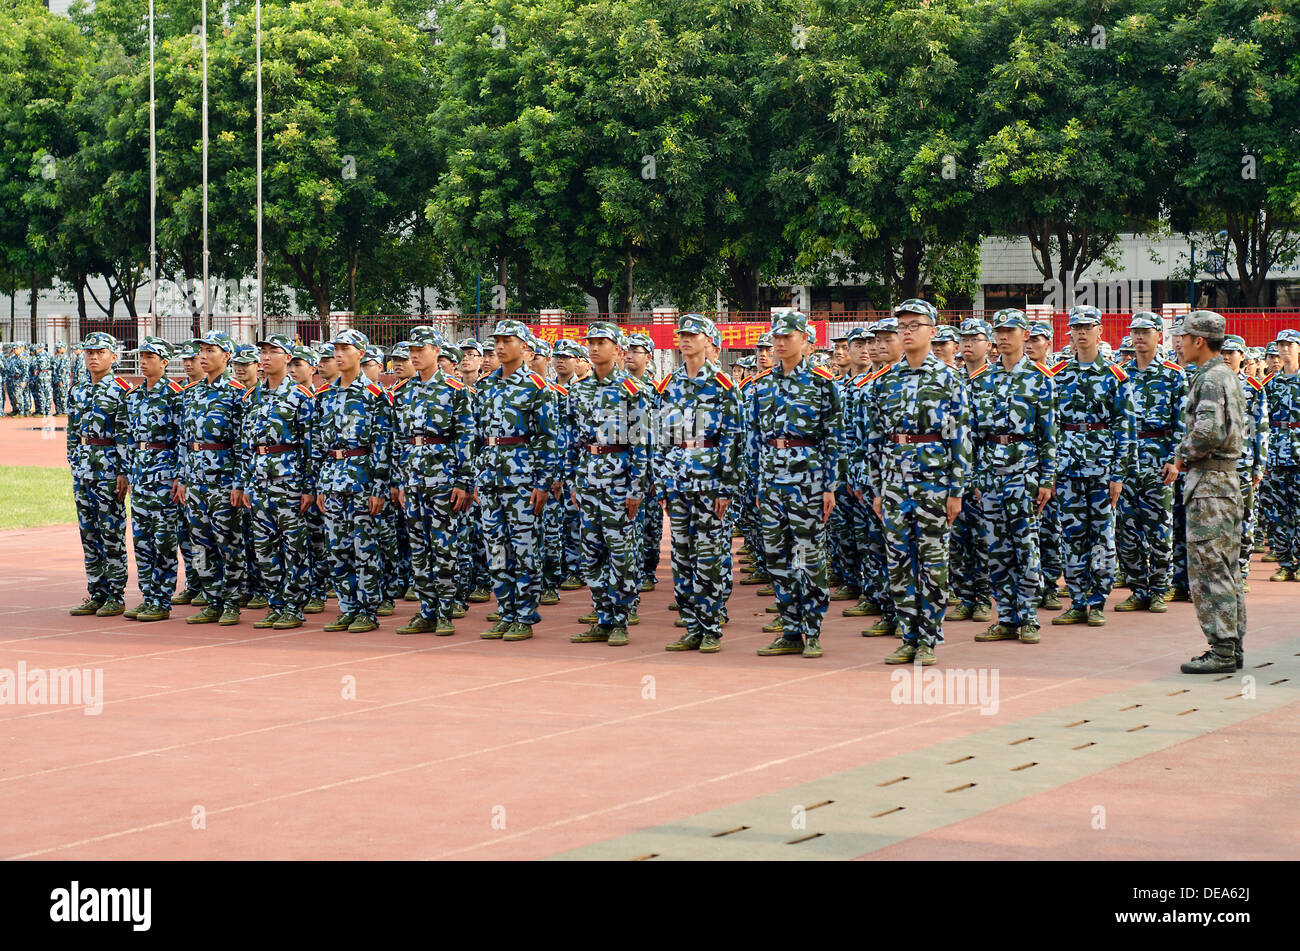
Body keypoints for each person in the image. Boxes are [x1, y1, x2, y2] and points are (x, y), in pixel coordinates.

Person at [866, 301, 971, 665]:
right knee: (897, 561)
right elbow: (876, 440)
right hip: (895, 484)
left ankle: (929, 637)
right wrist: (878, 489)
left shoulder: (948, 378)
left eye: (915, 324)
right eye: (902, 325)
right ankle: (908, 634)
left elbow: (960, 440)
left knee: (933, 561)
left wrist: (956, 492)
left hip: (934, 484)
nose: (906, 331)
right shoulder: (885, 382)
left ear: (932, 331)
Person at [747, 310, 843, 659]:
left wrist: (830, 485)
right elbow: (756, 439)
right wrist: (759, 483)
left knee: (810, 557)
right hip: (772, 481)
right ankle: (789, 628)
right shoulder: (762, 385)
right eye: (776, 337)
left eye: (788, 336)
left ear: (805, 339)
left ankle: (812, 629)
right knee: (776, 557)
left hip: (808, 481)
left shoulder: (821, 382)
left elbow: (834, 437)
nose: (781, 342)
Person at [656, 314, 744, 653]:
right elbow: (660, 438)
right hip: (678, 482)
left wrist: (726, 488)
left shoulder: (723, 386)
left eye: (694, 334)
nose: (686, 339)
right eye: (682, 334)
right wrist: (664, 482)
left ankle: (710, 627)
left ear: (710, 341)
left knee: (707, 556)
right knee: (681, 555)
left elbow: (733, 440)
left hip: (710, 482)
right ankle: (691, 625)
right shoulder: (669, 385)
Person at [967, 310, 1055, 644]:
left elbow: (1049, 436)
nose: (1003, 337)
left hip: (1024, 472)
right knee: (996, 547)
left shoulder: (1041, 379)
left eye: (1010, 331)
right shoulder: (982, 381)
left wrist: (1046, 479)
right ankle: (1005, 616)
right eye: (998, 331)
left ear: (1024, 334)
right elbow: (972, 436)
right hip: (990, 474)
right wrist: (975, 477)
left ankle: (1029, 616)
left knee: (1025, 545)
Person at [563, 322, 651, 647]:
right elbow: (573, 441)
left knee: (621, 555)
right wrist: (573, 479)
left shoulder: (632, 390)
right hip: (588, 480)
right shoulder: (578, 390)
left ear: (618, 350)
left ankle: (621, 620)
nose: (595, 347)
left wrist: (636, 489)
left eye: (603, 342)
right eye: (591, 342)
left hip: (618, 482)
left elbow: (642, 443)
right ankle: (601, 617)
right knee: (591, 553)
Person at [1049, 305, 1135, 627]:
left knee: (1101, 536)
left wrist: (1118, 475)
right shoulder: (1057, 376)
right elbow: (1050, 427)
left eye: (1088, 326)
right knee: (1071, 535)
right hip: (1068, 468)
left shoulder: (1116, 377)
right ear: (1069, 331)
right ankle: (1076, 599)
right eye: (1076, 327)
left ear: (1100, 330)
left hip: (1101, 470)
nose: (1081, 332)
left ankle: (1097, 600)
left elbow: (1126, 429)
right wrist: (1052, 471)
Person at [474, 319, 559, 642]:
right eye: (497, 340)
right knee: (496, 548)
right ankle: (506, 611)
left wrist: (542, 483)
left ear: (525, 347)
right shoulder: (485, 386)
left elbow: (548, 439)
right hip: (491, 476)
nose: (499, 346)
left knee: (524, 549)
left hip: (522, 477)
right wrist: (476, 478)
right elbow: (476, 437)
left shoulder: (537, 387)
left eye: (508, 340)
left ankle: (524, 615)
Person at [1172, 312, 1247, 674]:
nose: (1179, 343)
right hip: (1223, 483)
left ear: (1199, 341)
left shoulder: (1212, 378)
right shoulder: (1223, 374)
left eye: (1183, 337)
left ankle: (1222, 649)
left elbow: (1208, 432)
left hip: (1210, 487)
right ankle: (1230, 645)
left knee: (1209, 568)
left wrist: (1181, 454)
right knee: (1225, 567)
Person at [391, 326, 476, 636]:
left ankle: (445, 612)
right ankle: (425, 610)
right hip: (412, 481)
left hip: (443, 479)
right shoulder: (401, 392)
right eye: (411, 349)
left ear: (437, 351)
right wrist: (399, 481)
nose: (414, 354)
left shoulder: (455, 390)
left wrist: (464, 480)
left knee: (444, 547)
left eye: (421, 349)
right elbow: (399, 441)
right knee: (418, 547)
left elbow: (466, 437)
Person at [237, 333, 319, 631]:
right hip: (259, 482)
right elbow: (246, 446)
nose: (266, 357)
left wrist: (309, 487)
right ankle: (275, 604)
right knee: (264, 548)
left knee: (293, 546)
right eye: (264, 352)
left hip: (290, 481)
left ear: (288, 358)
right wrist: (246, 482)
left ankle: (294, 606)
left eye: (274, 352)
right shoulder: (251, 397)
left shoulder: (301, 397)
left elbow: (312, 446)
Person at [314, 329, 394, 633]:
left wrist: (379, 488)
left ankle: (367, 610)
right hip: (333, 481)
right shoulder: (325, 395)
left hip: (361, 481)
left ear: (360, 354)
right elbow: (320, 446)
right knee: (337, 550)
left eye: (345, 348)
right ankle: (347, 608)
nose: (338, 353)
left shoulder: (374, 395)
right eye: (336, 348)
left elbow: (382, 446)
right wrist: (322, 484)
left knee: (365, 549)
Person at [1114, 312, 1186, 613]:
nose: (1139, 337)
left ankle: (1159, 589)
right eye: (1135, 332)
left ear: (1159, 335)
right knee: (1126, 531)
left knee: (1159, 529)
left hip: (1159, 460)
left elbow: (1183, 422)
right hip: (1128, 463)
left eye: (1145, 332)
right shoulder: (1121, 375)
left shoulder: (1173, 375)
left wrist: (1175, 460)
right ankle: (1138, 588)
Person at [180, 330, 249, 626]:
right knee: (200, 544)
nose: (203, 356)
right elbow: (186, 440)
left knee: (228, 542)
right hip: (195, 481)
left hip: (223, 481)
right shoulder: (192, 393)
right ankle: (212, 600)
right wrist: (183, 479)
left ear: (227, 356)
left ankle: (232, 602)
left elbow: (241, 443)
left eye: (211, 350)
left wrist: (238, 483)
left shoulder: (237, 393)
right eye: (202, 351)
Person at [66, 333, 132, 617]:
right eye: (89, 352)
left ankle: (115, 595)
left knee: (111, 533)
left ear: (113, 357)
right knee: (88, 533)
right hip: (83, 470)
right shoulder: (77, 391)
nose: (93, 357)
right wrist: (73, 461)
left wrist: (123, 471)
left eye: (100, 352)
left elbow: (126, 435)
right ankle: (97, 591)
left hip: (108, 471)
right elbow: (72, 432)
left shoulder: (122, 390)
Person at [122, 337, 184, 622]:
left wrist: (179, 476)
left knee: (163, 540)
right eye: (141, 356)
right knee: (142, 540)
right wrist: (127, 470)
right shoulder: (133, 396)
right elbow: (127, 438)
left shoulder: (175, 394)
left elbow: (183, 439)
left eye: (150, 357)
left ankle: (161, 599)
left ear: (164, 362)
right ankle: (148, 596)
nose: (143, 361)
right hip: (141, 476)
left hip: (164, 476)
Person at [947, 319, 994, 622]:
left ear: (989, 344)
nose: (967, 344)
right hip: (954, 475)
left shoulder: (996, 379)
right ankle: (964, 596)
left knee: (982, 540)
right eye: (963, 339)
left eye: (975, 339)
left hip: (984, 475)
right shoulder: (951, 380)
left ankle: (983, 598)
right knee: (955, 540)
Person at [1220, 335, 1267, 589]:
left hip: (1242, 463)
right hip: (1215, 464)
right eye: (1224, 352)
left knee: (1245, 518)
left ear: (1243, 357)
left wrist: (1259, 464)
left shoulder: (1253, 387)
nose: (1227, 356)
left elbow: (1261, 427)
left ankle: (1241, 571)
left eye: (1232, 352)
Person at [1263, 329, 1300, 581]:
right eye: (1281, 345)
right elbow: (1260, 422)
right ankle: (1286, 563)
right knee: (1278, 512)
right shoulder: (1269, 384)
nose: (1284, 349)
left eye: (1290, 345)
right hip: (1275, 453)